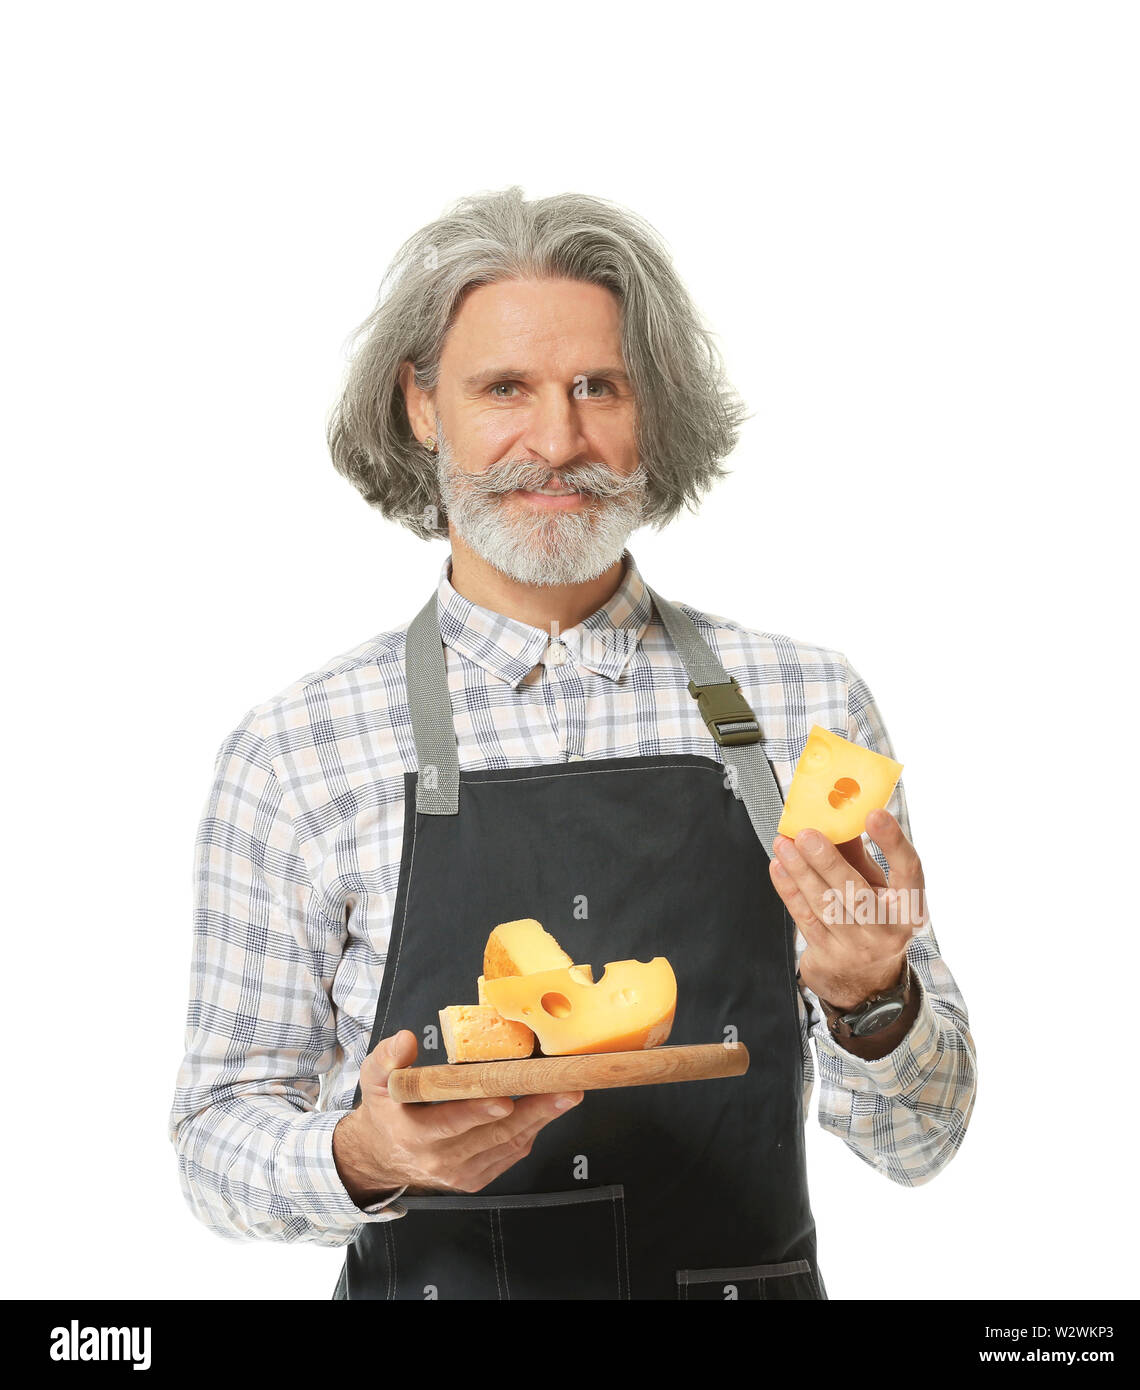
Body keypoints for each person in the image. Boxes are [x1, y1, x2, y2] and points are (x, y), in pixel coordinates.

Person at [169, 186, 977, 1301]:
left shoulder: (804, 704)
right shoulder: (295, 750)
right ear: (420, 406)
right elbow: (214, 1141)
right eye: (505, 388)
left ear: (656, 411)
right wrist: (367, 1153)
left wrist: (871, 998)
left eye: (599, 387)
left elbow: (922, 1142)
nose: (557, 441)